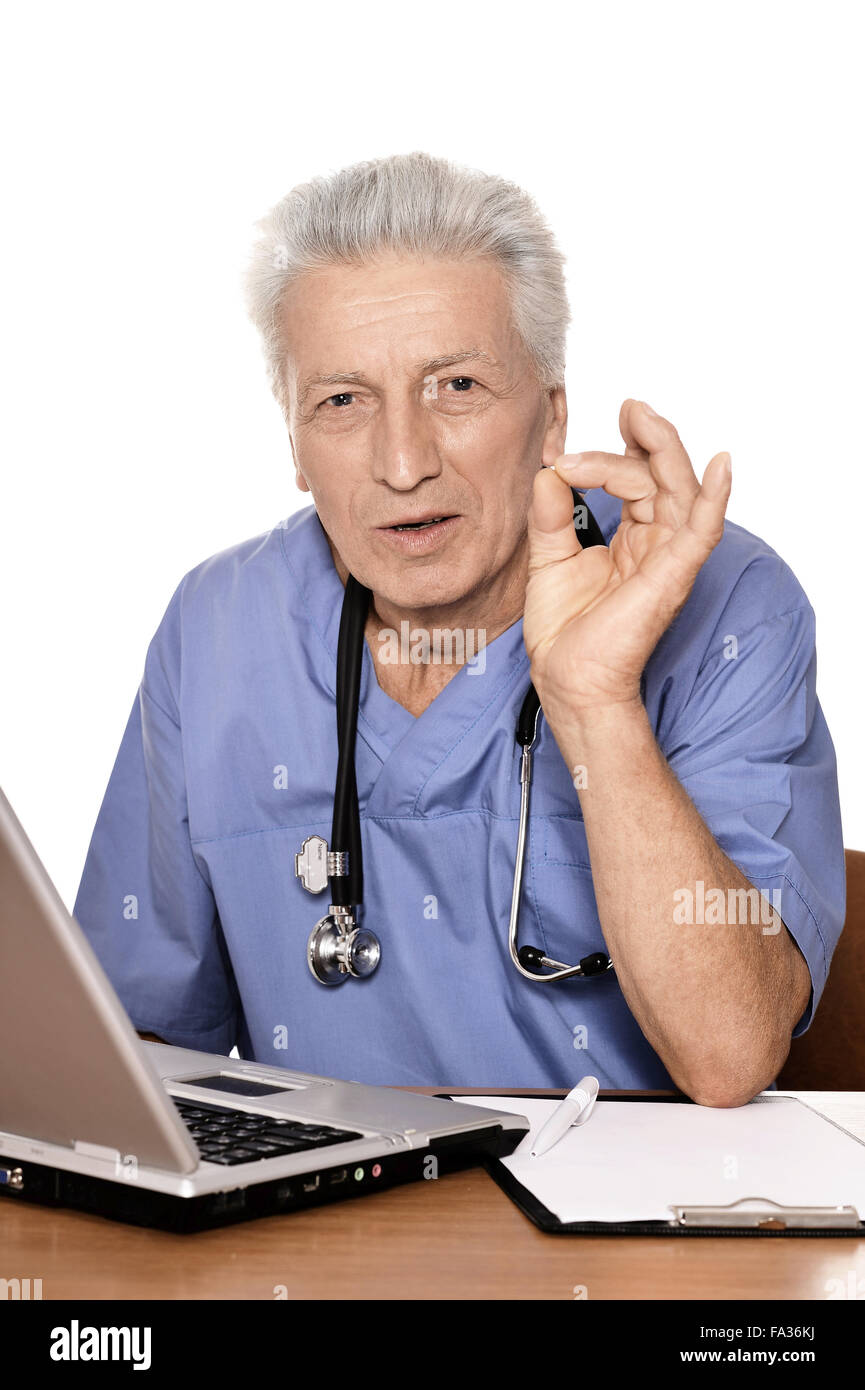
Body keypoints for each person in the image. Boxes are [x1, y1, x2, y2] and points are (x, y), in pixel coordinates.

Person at [73, 152, 844, 1102]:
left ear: (551, 417)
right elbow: (131, 1051)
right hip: (323, 1231)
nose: (402, 463)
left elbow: (731, 1055)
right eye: (342, 401)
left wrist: (596, 702)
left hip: (633, 1240)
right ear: (294, 445)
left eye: (457, 387)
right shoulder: (221, 627)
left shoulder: (726, 602)